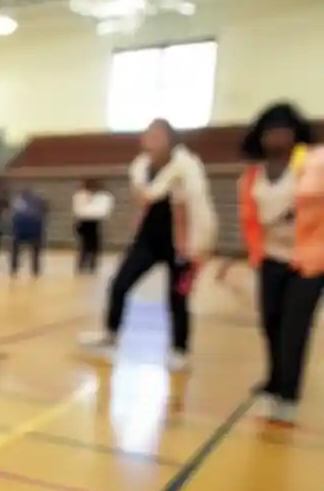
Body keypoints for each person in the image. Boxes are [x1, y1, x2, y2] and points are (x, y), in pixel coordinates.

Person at [80, 119, 217, 371]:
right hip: (149, 239)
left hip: (180, 239)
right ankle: (110, 336)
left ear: (170, 139)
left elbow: (186, 205)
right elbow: (143, 200)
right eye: (147, 134)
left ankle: (180, 349)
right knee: (120, 283)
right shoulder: (142, 166)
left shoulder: (186, 165)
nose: (149, 139)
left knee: (177, 296)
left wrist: (190, 246)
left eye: (156, 134)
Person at [237, 102, 320, 423]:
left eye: (284, 131)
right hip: (270, 258)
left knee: (294, 327)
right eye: (270, 132)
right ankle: (274, 379)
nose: (277, 138)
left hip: (308, 261)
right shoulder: (252, 176)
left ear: (296, 134)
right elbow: (252, 219)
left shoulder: (313, 164)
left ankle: (289, 392)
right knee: (271, 323)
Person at [72, 178, 114, 273]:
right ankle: (82, 264)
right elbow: (79, 211)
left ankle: (92, 265)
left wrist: (91, 210)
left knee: (95, 245)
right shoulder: (80, 196)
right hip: (83, 222)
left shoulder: (103, 197)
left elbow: (103, 212)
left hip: (95, 222)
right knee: (84, 244)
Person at [9, 187, 47, 277]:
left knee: (17, 248)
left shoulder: (17, 201)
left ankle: (14, 268)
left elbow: (14, 215)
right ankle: (35, 269)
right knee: (34, 249)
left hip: (22, 228)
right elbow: (44, 211)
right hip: (32, 228)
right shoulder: (37, 201)